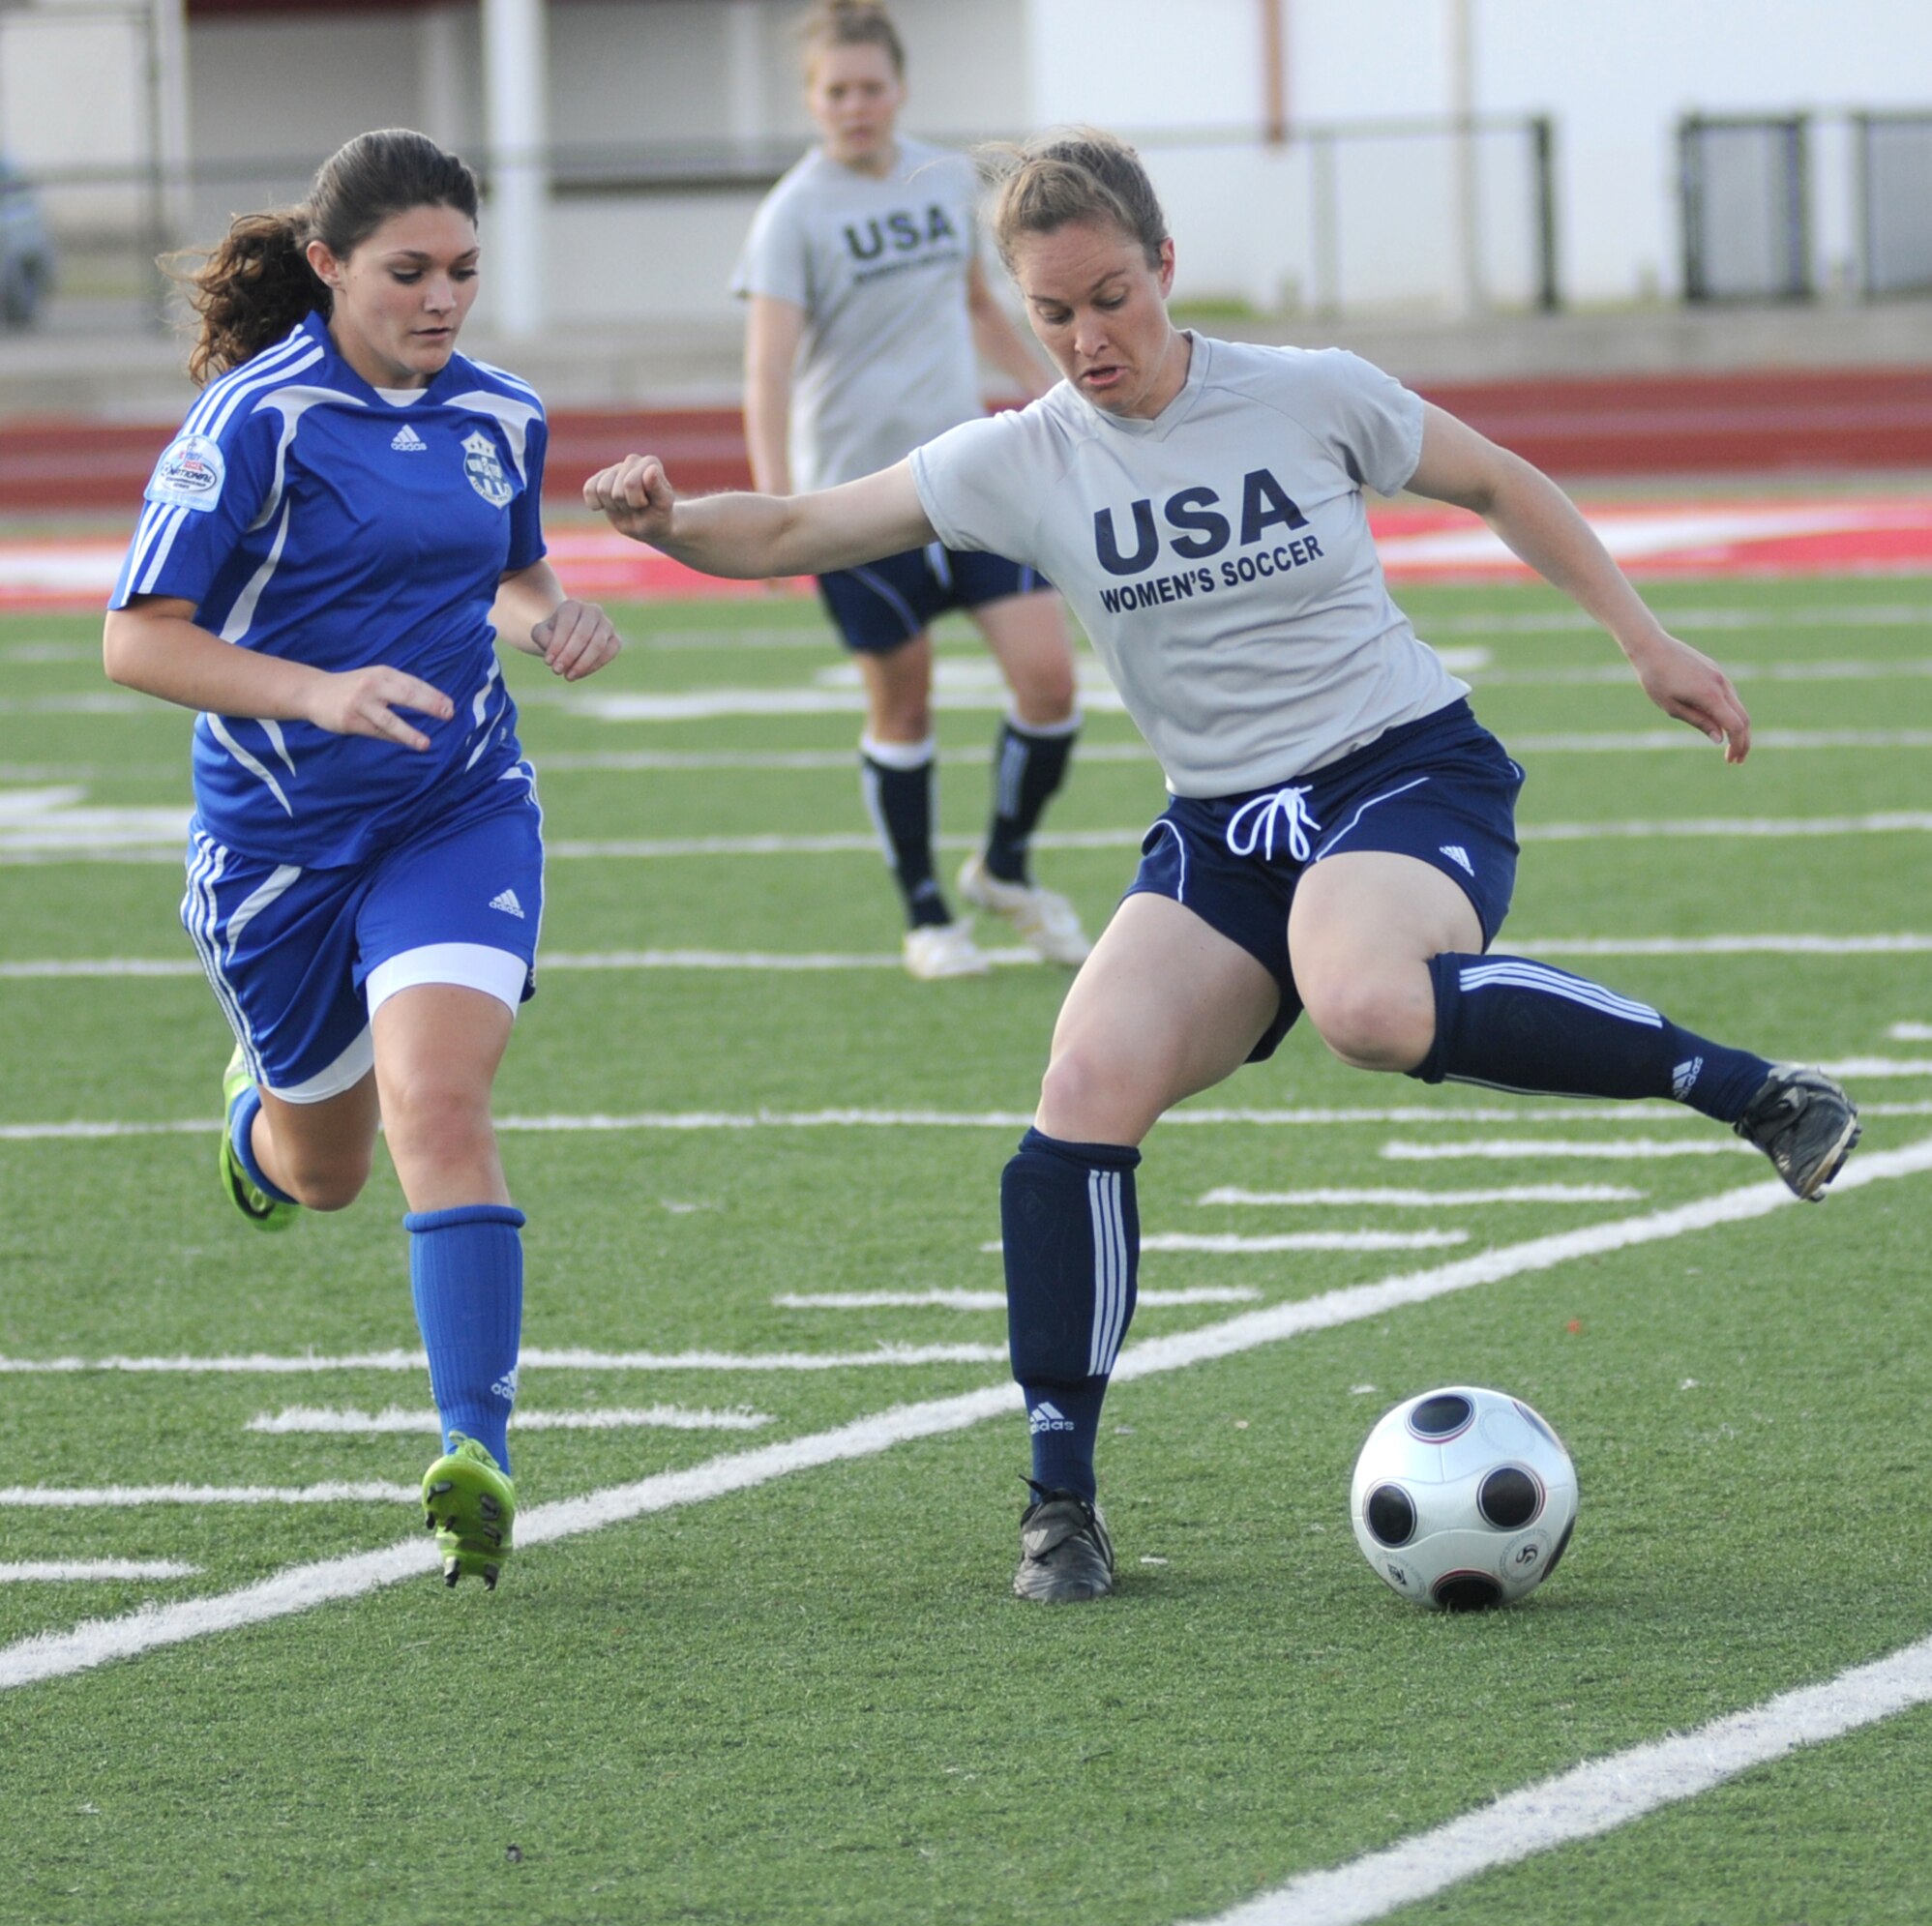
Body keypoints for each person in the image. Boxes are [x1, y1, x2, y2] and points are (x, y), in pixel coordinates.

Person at [585, 129, 1860, 1605]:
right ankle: (1058, 1504)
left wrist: (1645, 639)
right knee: (1079, 1089)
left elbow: (1499, 481)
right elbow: (805, 523)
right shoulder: (1021, 457)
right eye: (1051, 312)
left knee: (1367, 1000)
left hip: (1402, 774)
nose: (1086, 338)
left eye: (1110, 297)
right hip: (1221, 832)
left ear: (1165, 268)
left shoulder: (1305, 392)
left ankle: (1753, 1091)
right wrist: (673, 522)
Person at [103, 129, 623, 1590]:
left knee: (438, 1103)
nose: (442, 297)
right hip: (277, 845)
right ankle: (256, 1132)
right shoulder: (254, 423)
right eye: (408, 272)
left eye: (463, 270)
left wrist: (550, 618)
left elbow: (508, 571)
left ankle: (477, 1454)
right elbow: (136, 639)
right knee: (322, 1171)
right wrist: (317, 692)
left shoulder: (502, 413)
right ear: (328, 267)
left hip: (455, 806)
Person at [733, 0, 1089, 979]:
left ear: (898, 88)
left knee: (1052, 686)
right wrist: (773, 509)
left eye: (870, 86)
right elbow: (765, 370)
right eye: (834, 90)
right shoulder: (791, 215)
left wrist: (1062, 402)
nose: (855, 105)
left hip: (973, 476)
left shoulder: (940, 184)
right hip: (856, 502)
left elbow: (982, 306)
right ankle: (927, 914)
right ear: (811, 100)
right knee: (906, 704)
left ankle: (1005, 869)